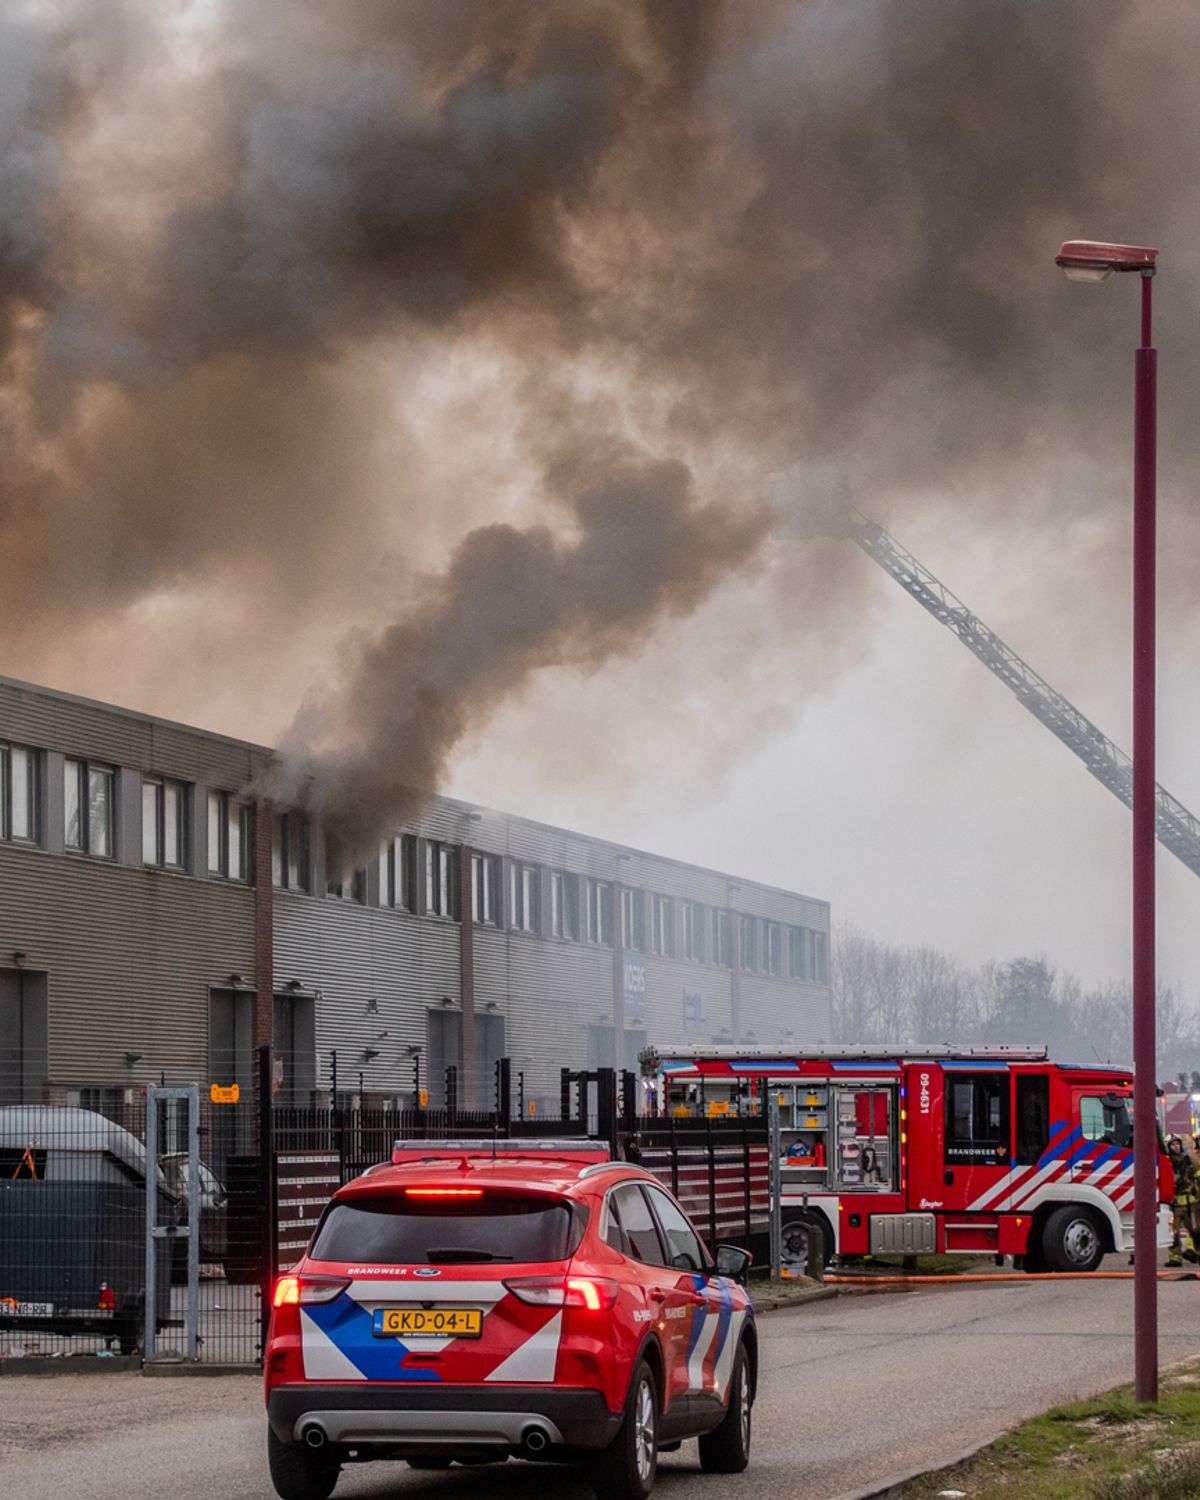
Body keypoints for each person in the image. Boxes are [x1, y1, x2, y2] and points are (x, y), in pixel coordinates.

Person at [1167, 1136, 1199, 1268]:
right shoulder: (1168, 1162)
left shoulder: (1189, 1160)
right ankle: (1175, 1258)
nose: (1176, 1146)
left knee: (1195, 1230)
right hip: (1174, 1203)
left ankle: (1194, 1252)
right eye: (1172, 1145)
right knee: (1173, 1233)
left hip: (1190, 1202)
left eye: (1177, 1144)